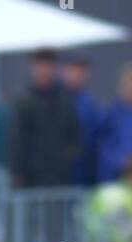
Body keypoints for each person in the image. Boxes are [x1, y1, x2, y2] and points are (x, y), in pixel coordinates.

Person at [10, 49, 79, 188]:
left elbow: (73, 131)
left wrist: (69, 155)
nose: (44, 71)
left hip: (60, 173)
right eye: (40, 66)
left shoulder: (64, 98)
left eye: (47, 66)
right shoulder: (24, 100)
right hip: (33, 176)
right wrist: (17, 171)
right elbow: (17, 138)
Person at [59, 54, 101, 185]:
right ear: (64, 71)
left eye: (82, 70)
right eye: (74, 69)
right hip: (59, 173)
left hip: (85, 172)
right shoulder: (54, 99)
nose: (78, 73)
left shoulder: (89, 102)